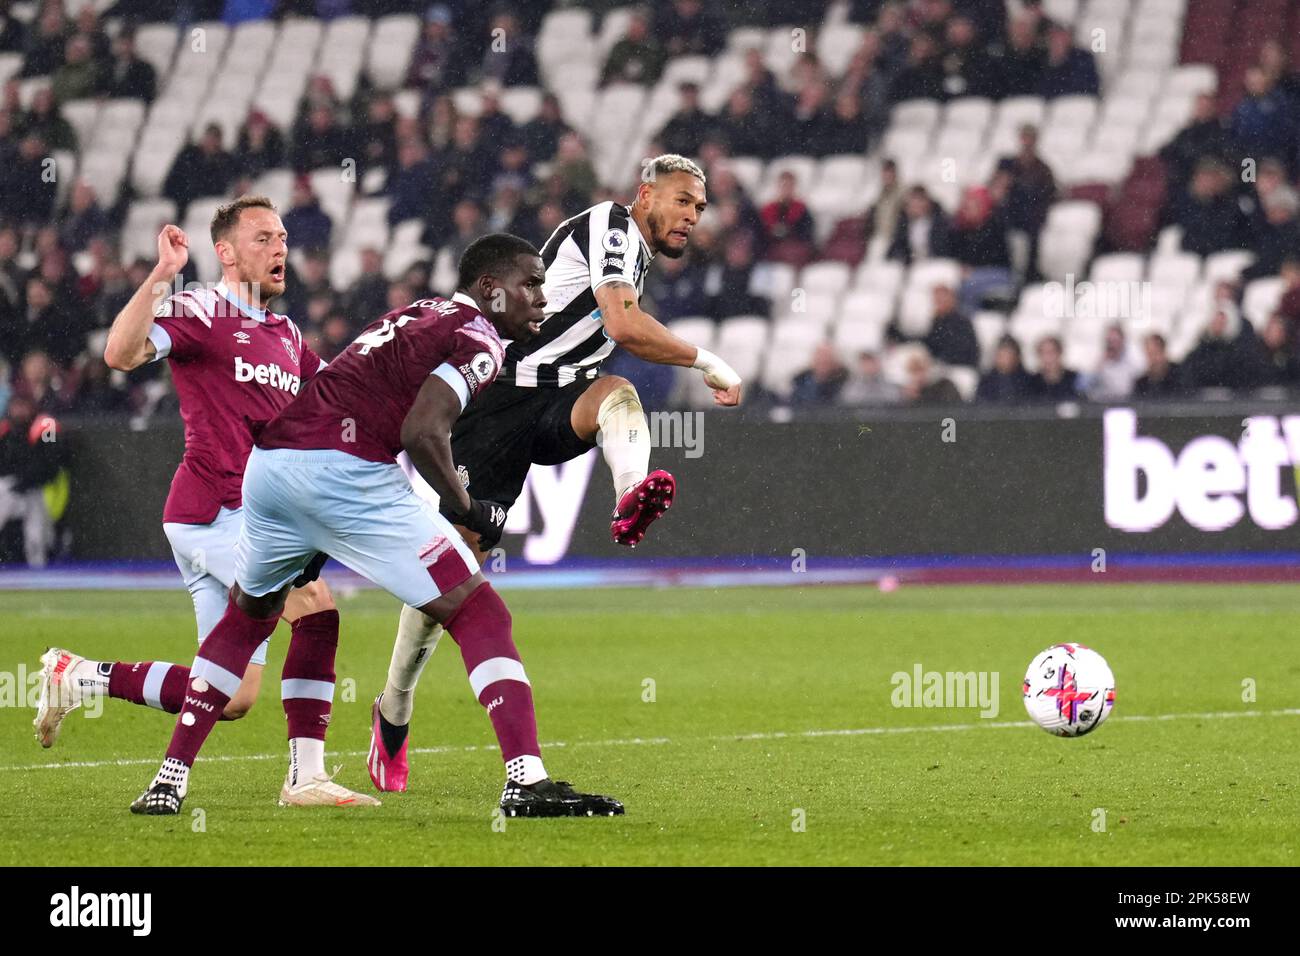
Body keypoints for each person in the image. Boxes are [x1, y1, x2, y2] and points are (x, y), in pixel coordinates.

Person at [129, 234, 624, 819]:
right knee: (478, 610)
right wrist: (467, 508)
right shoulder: (478, 337)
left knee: (248, 615)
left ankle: (168, 779)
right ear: (490, 290)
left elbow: (338, 385)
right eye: (532, 285)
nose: (542, 299)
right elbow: (422, 431)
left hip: (270, 468)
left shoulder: (417, 312)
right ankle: (525, 780)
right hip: (347, 472)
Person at [367, 155, 743, 793]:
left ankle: (631, 497)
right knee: (453, 575)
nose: (691, 217)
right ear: (645, 194)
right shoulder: (612, 227)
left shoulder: (636, 254)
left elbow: (614, 331)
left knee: (617, 391)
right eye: (682, 201)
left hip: (557, 402)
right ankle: (394, 706)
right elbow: (623, 323)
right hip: (496, 402)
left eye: (700, 208)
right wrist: (710, 363)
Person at [33, 198, 366, 808]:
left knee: (234, 695)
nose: (281, 248)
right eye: (264, 237)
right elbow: (119, 354)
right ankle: (304, 776)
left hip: (248, 519)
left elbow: (341, 398)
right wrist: (161, 276)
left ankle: (77, 675)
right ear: (227, 252)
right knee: (315, 605)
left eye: (284, 237)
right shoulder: (198, 309)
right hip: (215, 510)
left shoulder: (289, 337)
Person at [975, 335, 1035, 402]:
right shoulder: (986, 381)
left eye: (1009, 355)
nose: (1006, 360)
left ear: (1017, 357)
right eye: (1002, 355)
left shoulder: (1029, 381)